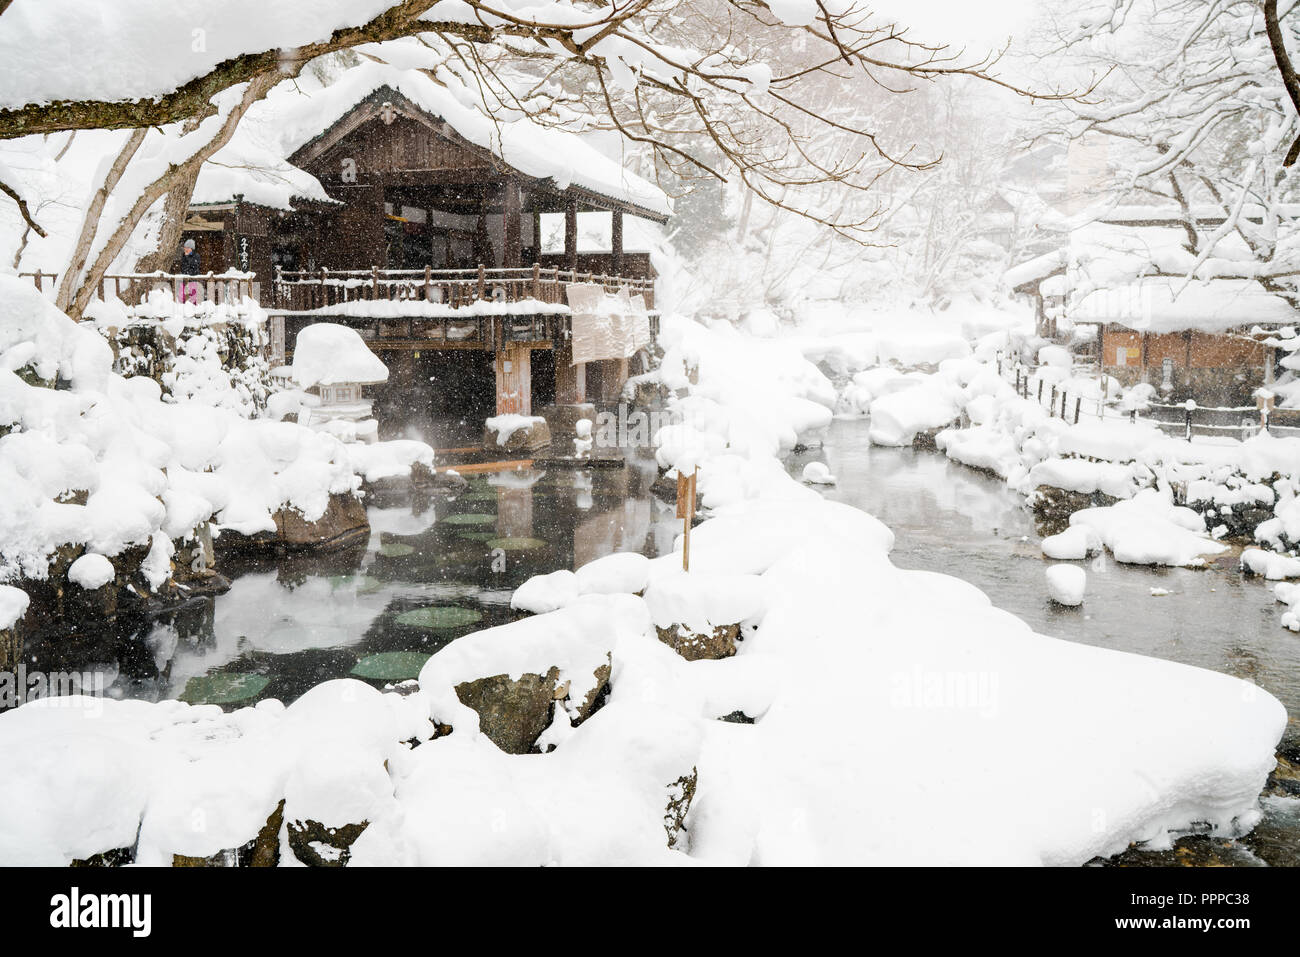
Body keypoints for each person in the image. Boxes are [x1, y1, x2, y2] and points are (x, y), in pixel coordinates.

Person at [178, 238, 201, 303]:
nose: (185, 249)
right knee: (181, 294)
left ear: (191, 248)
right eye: (185, 247)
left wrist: (187, 257)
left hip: (193, 278)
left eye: (187, 248)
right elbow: (182, 266)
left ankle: (193, 307)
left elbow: (195, 266)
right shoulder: (184, 255)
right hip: (184, 278)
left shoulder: (196, 256)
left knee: (193, 295)